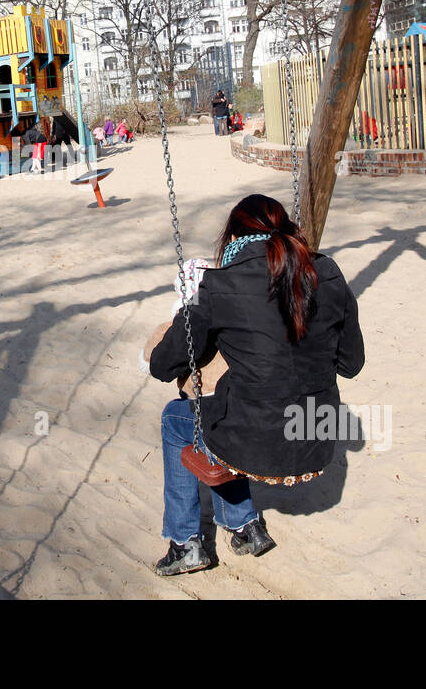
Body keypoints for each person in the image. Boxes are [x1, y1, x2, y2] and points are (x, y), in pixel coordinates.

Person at [147, 193, 364, 576]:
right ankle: (246, 526)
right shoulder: (328, 272)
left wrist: (190, 313)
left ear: (232, 238)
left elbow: (166, 365)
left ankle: (186, 545)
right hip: (318, 440)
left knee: (177, 419)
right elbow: (351, 364)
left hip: (262, 443)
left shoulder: (217, 285)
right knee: (241, 404)